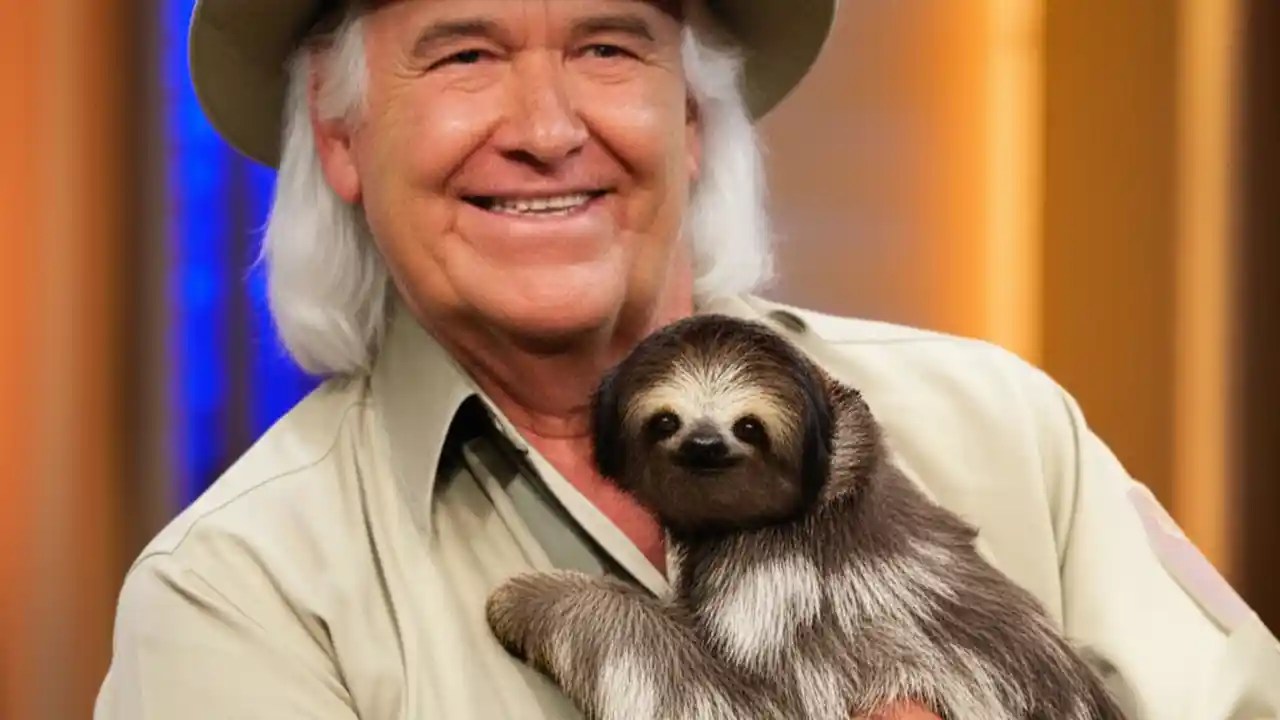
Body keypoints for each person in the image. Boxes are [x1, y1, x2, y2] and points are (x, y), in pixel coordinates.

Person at [96, 0, 1279, 718]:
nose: (548, 127)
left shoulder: (996, 427)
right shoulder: (246, 592)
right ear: (339, 130)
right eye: (461, 55)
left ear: (694, 118)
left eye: (609, 46)